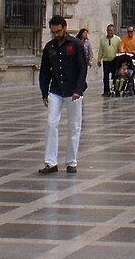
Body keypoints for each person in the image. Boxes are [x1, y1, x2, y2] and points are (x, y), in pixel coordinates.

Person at [38, 15, 87, 174]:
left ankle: (71, 161)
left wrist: (78, 90)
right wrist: (44, 92)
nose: (57, 34)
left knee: (74, 126)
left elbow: (82, 68)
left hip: (73, 91)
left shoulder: (76, 45)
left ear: (65, 28)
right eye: (54, 32)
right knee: (51, 124)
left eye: (59, 31)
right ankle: (51, 162)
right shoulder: (49, 47)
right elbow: (45, 70)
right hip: (56, 90)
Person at [119, 24, 135, 95]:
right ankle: (131, 89)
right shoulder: (125, 38)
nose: (129, 33)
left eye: (131, 31)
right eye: (128, 32)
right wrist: (121, 50)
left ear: (134, 31)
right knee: (129, 73)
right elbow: (121, 45)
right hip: (128, 57)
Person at [98, 24, 120, 97]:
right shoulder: (102, 40)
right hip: (106, 60)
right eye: (108, 30)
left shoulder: (118, 39)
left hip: (115, 60)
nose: (109, 32)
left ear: (113, 31)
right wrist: (99, 59)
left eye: (111, 30)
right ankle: (106, 91)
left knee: (115, 76)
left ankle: (115, 90)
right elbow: (101, 50)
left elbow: (120, 49)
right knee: (106, 77)